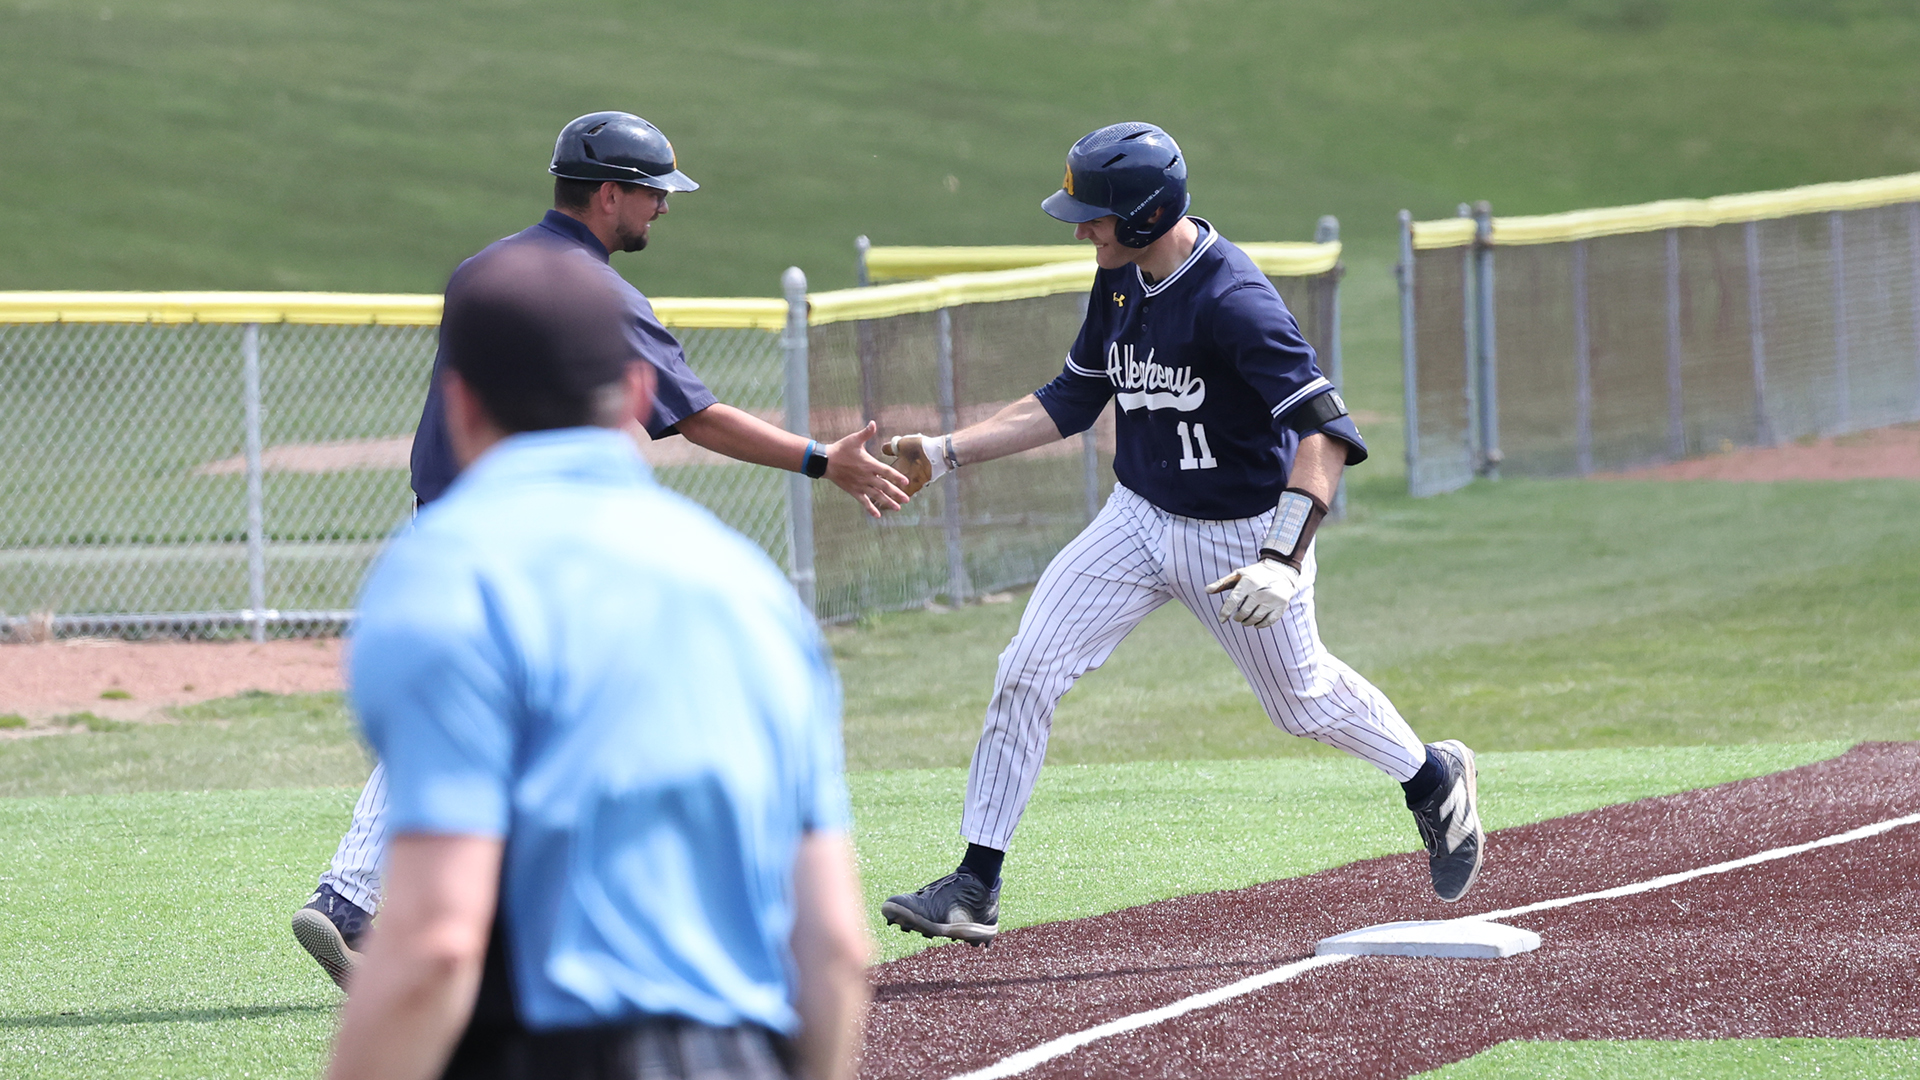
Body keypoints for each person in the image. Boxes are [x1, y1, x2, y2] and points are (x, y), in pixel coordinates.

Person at [292, 110, 910, 987]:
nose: (664, 207)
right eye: (653, 191)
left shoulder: (482, 272)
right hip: (537, 534)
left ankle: (359, 898)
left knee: (470, 708)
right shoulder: (596, 296)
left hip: (446, 522)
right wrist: (820, 459)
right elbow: (694, 417)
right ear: (609, 193)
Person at [876, 122, 1485, 947]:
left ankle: (1432, 777)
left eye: (1094, 217)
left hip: (1240, 538)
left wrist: (1282, 558)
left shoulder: (1234, 301)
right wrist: (947, 452)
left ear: (1144, 215)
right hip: (1136, 518)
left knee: (1301, 704)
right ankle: (974, 884)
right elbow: (1073, 396)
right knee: (1026, 668)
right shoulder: (1120, 278)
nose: (1082, 232)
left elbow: (1325, 432)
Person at [323, 241, 869, 1080]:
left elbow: (436, 944)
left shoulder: (441, 577)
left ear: (458, 404)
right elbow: (832, 948)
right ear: (639, 394)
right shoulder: (750, 588)